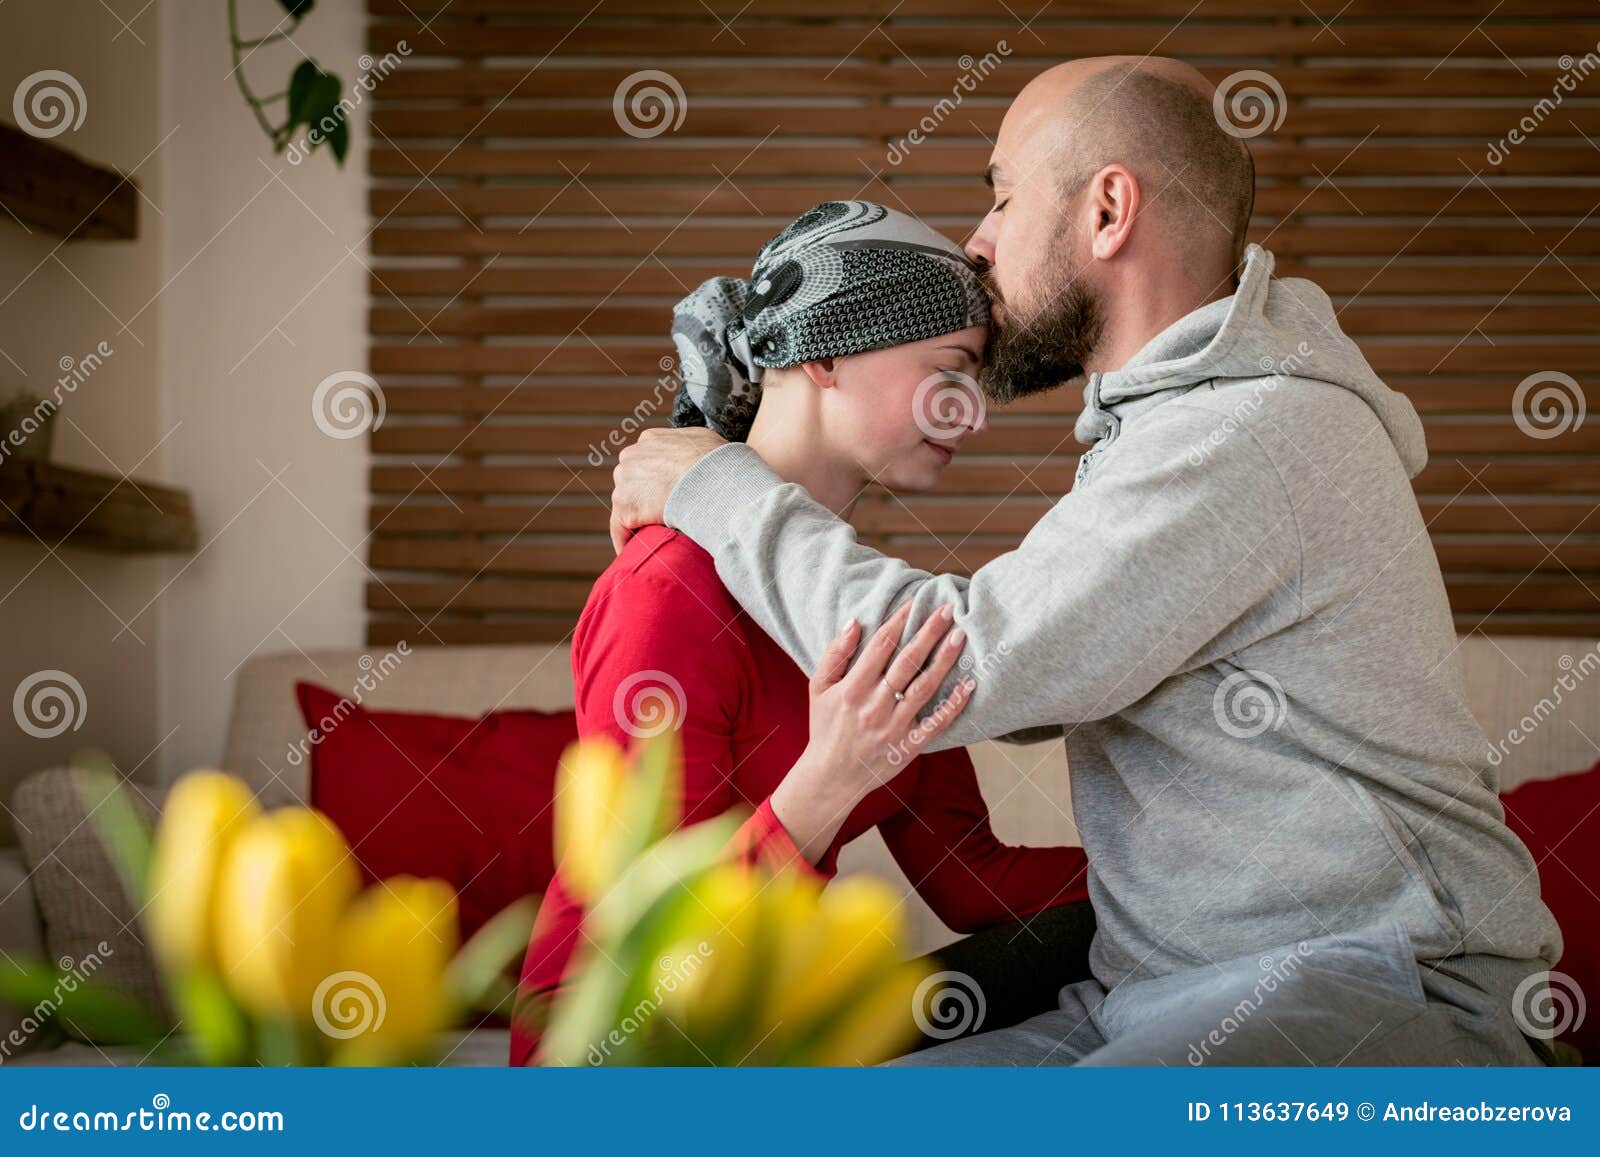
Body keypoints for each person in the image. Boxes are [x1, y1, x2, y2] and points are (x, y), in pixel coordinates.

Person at [605, 59, 1562, 1066]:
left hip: (1374, 987)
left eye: (1001, 192)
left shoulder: (1247, 432)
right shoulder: (1167, 433)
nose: (975, 243)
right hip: (1155, 993)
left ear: (1107, 210)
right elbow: (1028, 682)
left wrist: (715, 487)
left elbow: (969, 665)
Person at [509, 201, 1095, 1067]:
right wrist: (831, 777)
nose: (971, 413)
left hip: (772, 1028)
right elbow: (661, 941)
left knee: (1090, 952)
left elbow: (976, 882)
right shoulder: (665, 590)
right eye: (951, 370)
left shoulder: (857, 605)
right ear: (823, 354)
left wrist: (1202, 883)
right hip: (618, 1050)